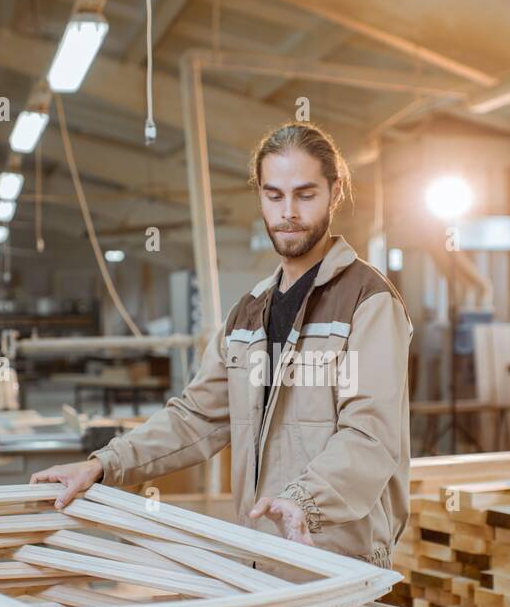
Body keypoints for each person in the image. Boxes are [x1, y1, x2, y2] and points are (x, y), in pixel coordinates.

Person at [31, 121, 412, 574]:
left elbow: (370, 435)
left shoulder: (368, 302)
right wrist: (102, 465)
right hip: (262, 552)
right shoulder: (247, 315)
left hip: (334, 556)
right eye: (274, 196)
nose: (288, 211)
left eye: (305, 194)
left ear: (335, 191)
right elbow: (195, 418)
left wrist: (304, 503)